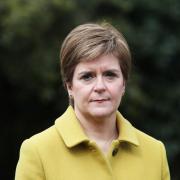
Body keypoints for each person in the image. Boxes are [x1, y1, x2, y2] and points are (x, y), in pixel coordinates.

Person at [15, 23, 170, 180]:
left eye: (110, 74)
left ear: (123, 83)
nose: (100, 87)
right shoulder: (37, 152)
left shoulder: (155, 153)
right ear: (69, 86)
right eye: (87, 76)